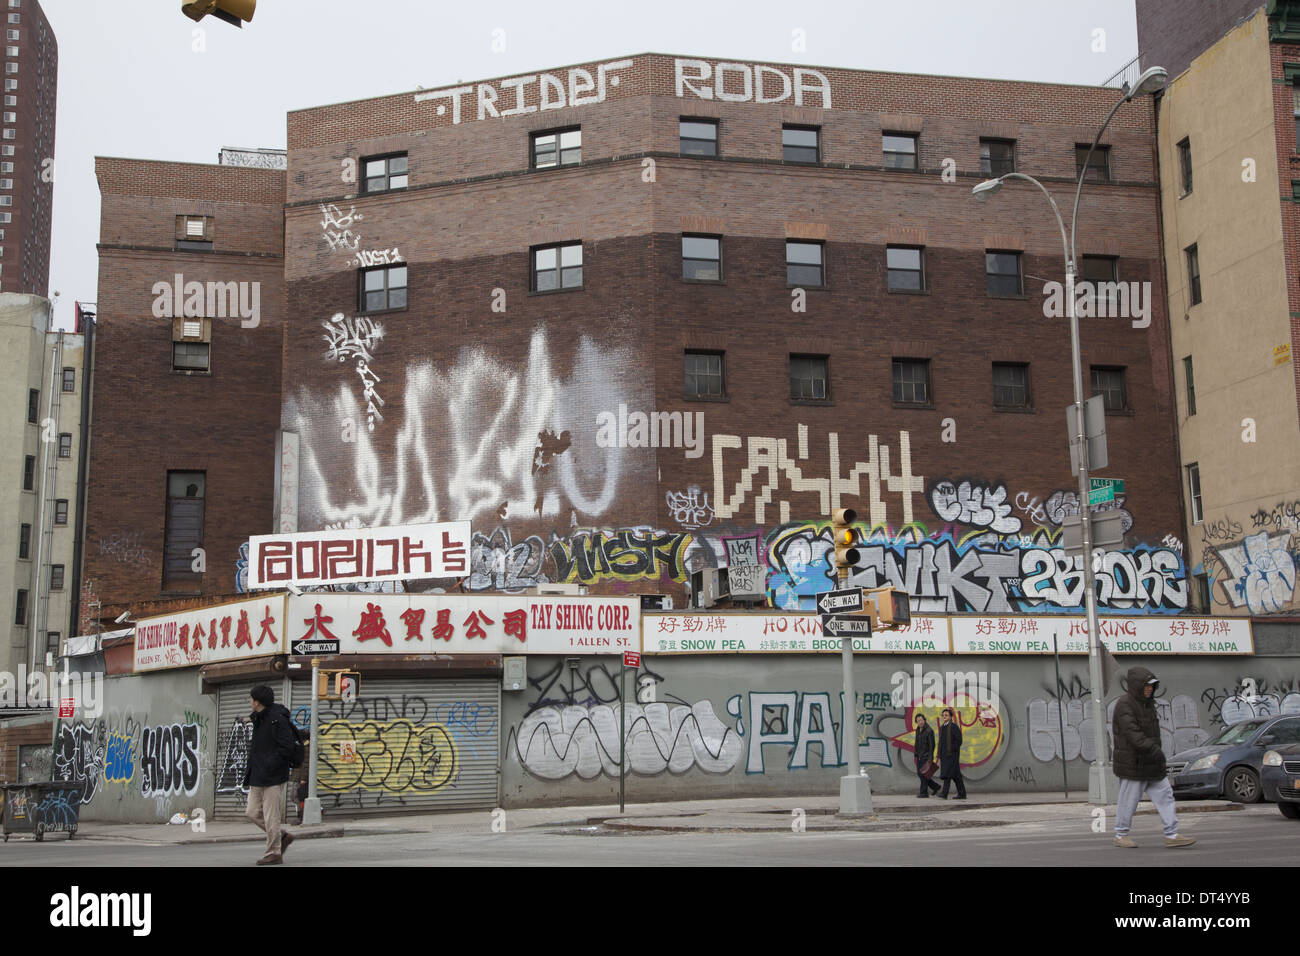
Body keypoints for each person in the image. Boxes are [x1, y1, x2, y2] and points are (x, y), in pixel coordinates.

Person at [1112, 666, 1196, 848]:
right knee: (1128, 802)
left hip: (1151, 762)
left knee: (1166, 796)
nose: (1150, 689)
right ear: (1137, 686)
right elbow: (1133, 734)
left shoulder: (1148, 704)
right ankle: (1121, 834)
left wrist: (1155, 753)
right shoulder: (1125, 704)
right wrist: (1154, 749)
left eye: (1152, 686)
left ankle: (1172, 834)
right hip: (1133, 764)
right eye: (1147, 685)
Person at [243, 684, 298, 864]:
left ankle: (273, 853)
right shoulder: (258, 719)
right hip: (257, 774)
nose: (250, 701)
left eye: (251, 698)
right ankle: (282, 836)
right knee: (252, 812)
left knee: (270, 815)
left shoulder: (277, 720)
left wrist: (270, 764)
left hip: (273, 775)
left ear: (257, 701)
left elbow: (287, 747)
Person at [937, 707, 967, 800]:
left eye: (946, 715)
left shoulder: (954, 727)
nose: (944, 716)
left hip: (952, 755)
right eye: (943, 715)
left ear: (950, 716)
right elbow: (941, 742)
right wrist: (939, 753)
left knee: (948, 774)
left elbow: (959, 740)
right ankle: (962, 793)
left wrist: (952, 749)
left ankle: (944, 793)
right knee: (955, 775)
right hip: (945, 756)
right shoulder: (942, 727)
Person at [914, 713, 941, 798]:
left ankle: (924, 793)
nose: (920, 722)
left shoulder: (929, 731)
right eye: (918, 721)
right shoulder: (918, 730)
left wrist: (930, 758)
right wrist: (915, 755)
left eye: (921, 720)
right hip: (919, 756)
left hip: (926, 756)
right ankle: (935, 786)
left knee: (923, 775)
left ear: (924, 720)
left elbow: (931, 746)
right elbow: (916, 743)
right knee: (921, 774)